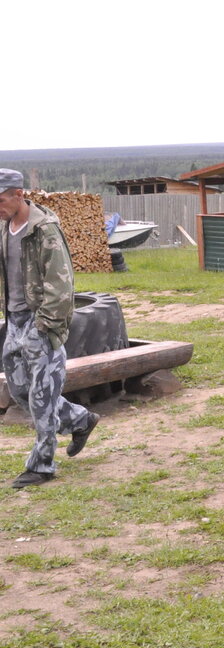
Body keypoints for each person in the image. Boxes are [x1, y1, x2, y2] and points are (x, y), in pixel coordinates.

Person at [0, 169, 100, 489]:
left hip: (39, 321)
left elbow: (61, 286)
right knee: (20, 391)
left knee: (42, 398)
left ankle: (42, 465)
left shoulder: (45, 230)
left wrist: (43, 328)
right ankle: (80, 420)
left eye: (0, 200)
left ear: (19, 194)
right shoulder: (5, 226)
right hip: (13, 321)